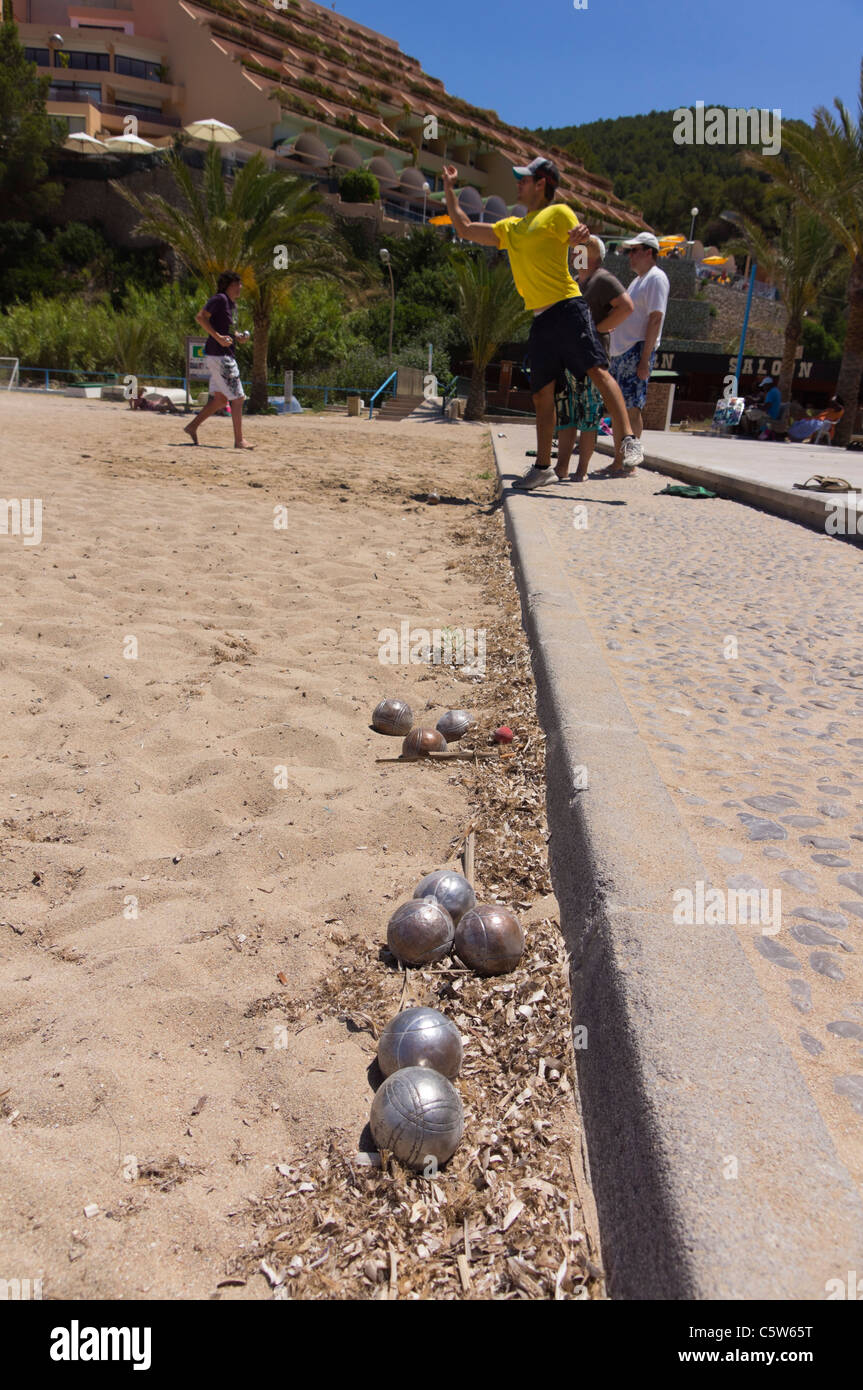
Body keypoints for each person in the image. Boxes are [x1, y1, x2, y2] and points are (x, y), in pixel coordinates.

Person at [442, 157, 644, 487]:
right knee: (541, 395)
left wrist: (585, 238)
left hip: (568, 307)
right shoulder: (512, 228)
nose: (518, 184)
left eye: (524, 179)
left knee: (597, 370)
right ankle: (542, 467)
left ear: (541, 184)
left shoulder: (558, 213)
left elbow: (583, 250)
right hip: (541, 319)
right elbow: (464, 227)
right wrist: (449, 189)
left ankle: (629, 442)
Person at [554, 236, 634, 480]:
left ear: (595, 254)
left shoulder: (602, 279)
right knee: (567, 416)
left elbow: (626, 307)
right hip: (569, 359)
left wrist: (598, 328)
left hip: (592, 359)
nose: (573, 252)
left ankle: (581, 470)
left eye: (581, 248)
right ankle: (562, 467)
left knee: (588, 418)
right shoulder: (574, 281)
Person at [608, 232, 670, 444]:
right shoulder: (638, 280)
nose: (630, 256)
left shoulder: (656, 278)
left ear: (649, 252)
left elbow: (655, 318)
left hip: (637, 351)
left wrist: (644, 359)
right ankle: (620, 458)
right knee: (619, 409)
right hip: (623, 351)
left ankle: (628, 461)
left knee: (631, 408)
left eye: (634, 251)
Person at [184, 270, 253, 449]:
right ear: (229, 285)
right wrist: (218, 337)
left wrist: (237, 336)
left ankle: (192, 426)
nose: (240, 287)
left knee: (221, 400)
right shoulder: (220, 299)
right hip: (220, 356)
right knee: (238, 398)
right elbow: (200, 317)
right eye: (237, 284)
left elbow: (227, 329)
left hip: (220, 354)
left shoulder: (231, 304)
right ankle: (239, 440)